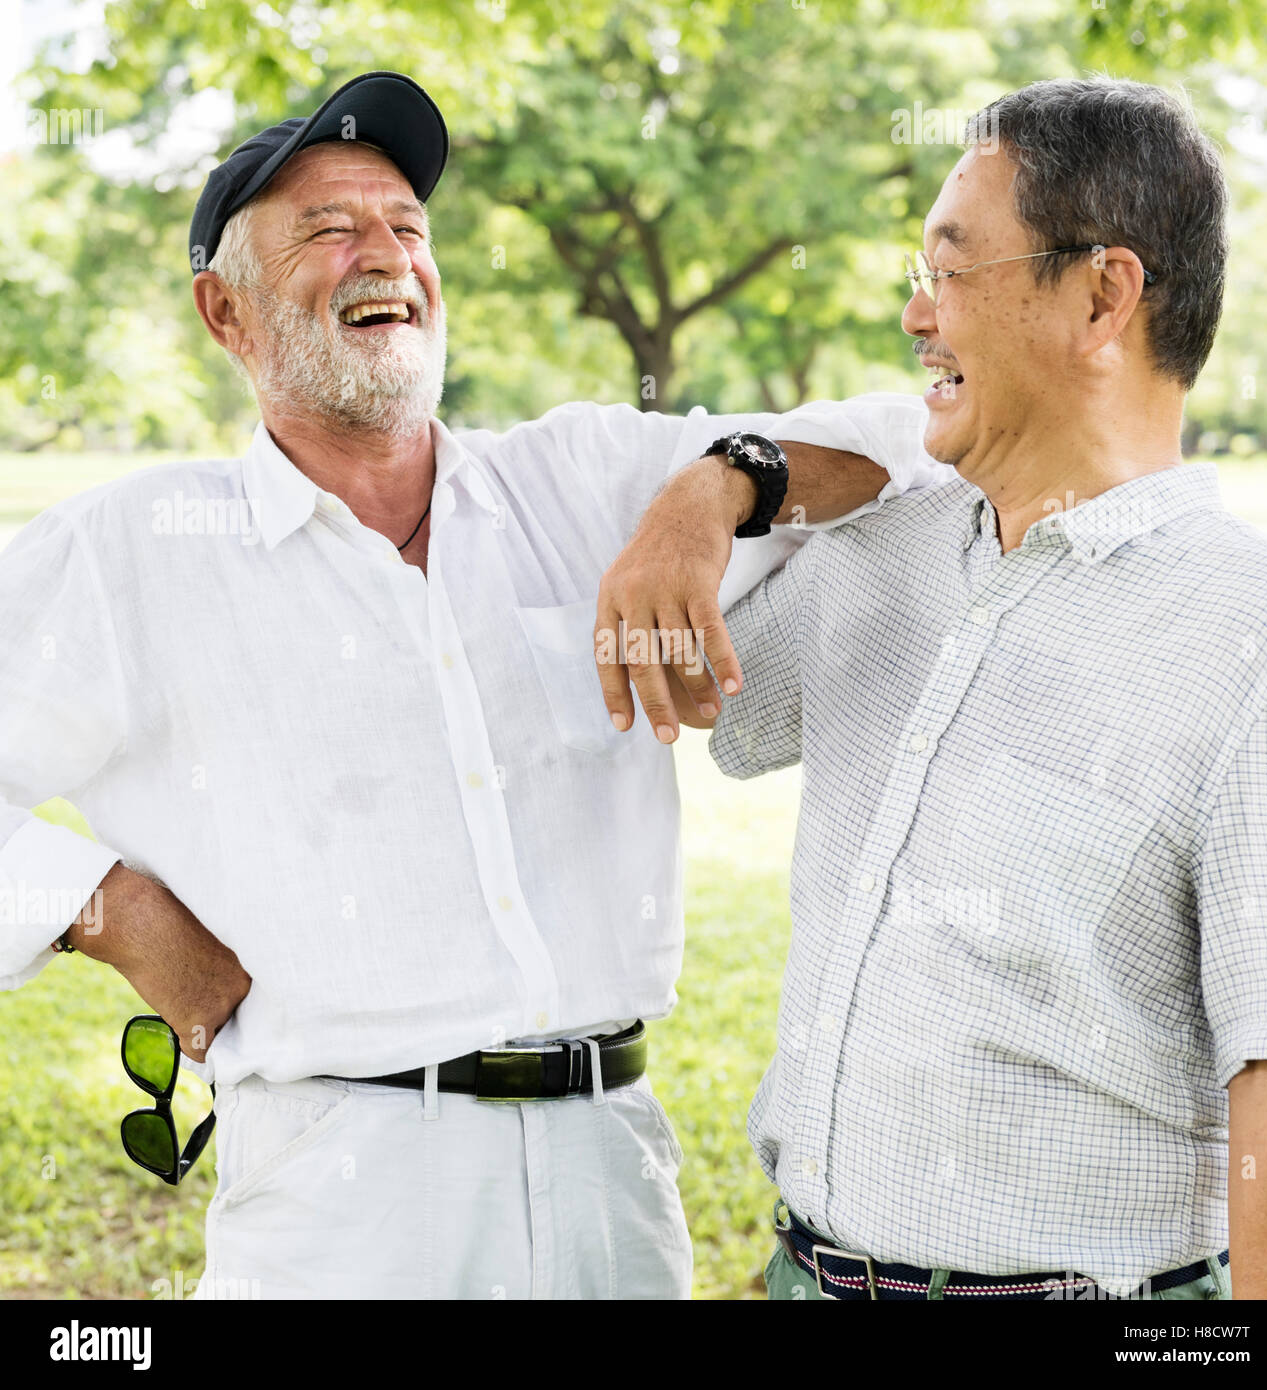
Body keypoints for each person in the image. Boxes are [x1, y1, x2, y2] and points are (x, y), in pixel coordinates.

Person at [0, 70, 948, 1299]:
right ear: (224, 311)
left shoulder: (581, 478)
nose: (384, 255)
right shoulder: (133, 552)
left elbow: (916, 444)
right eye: (327, 229)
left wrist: (716, 488)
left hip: (612, 1173)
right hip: (339, 1199)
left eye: (407, 226)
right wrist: (103, 907)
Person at [649, 75, 1267, 1300]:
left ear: (1101, 295)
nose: (915, 313)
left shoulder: (1263, 637)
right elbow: (684, 686)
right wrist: (714, 483)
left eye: (950, 269)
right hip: (800, 1274)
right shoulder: (883, 550)